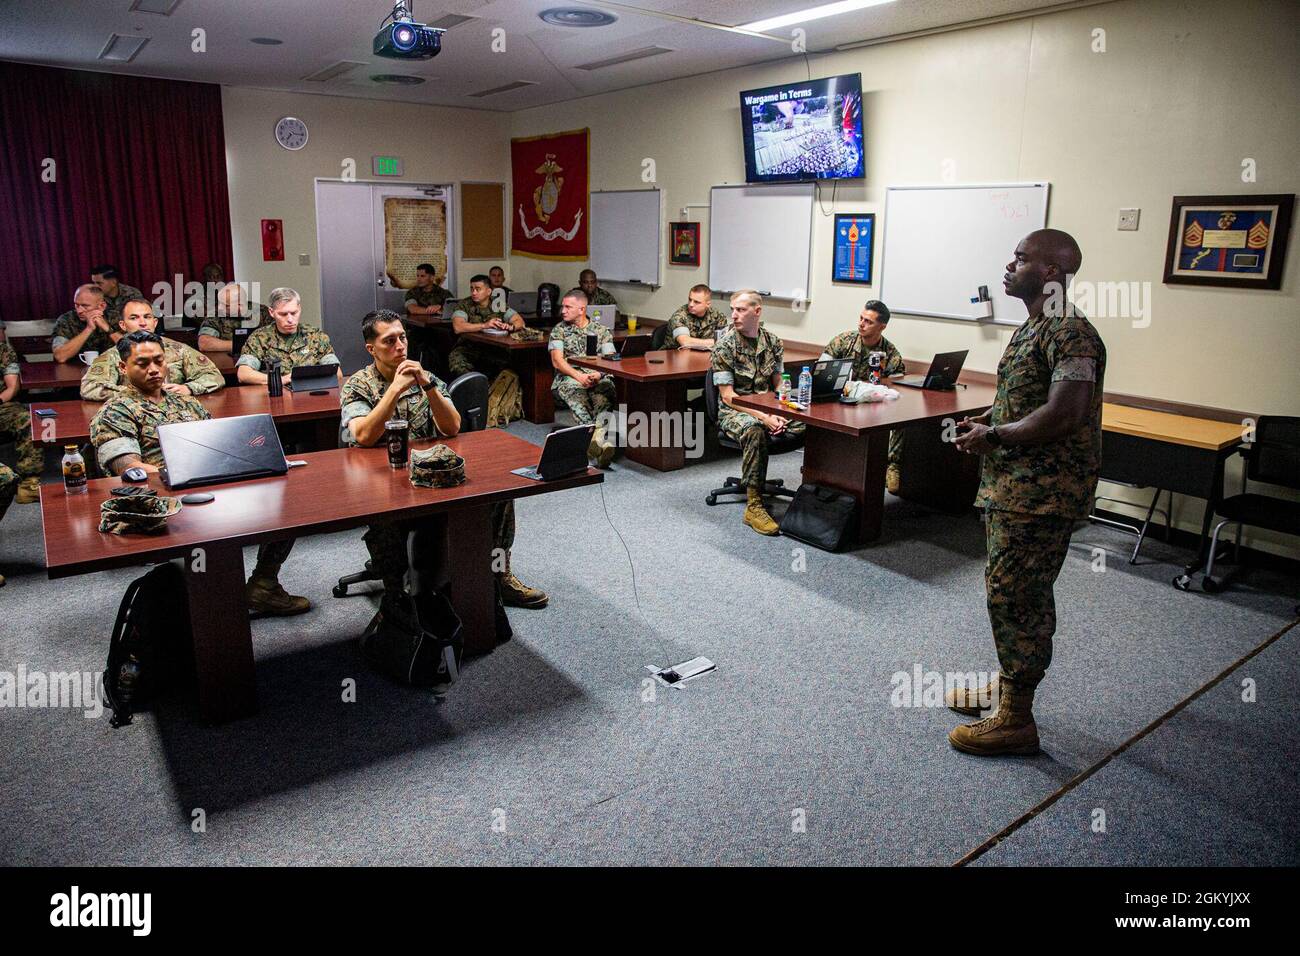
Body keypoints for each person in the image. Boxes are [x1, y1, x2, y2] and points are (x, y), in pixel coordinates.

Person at [949, 229, 1105, 757]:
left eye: (1020, 259)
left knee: (1019, 594)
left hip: (1043, 492)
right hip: (1013, 485)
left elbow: (1065, 412)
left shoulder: (1071, 333)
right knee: (1005, 587)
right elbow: (1023, 402)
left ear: (1052, 273)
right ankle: (1007, 686)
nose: (1009, 266)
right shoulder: (1033, 328)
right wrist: (989, 421)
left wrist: (993, 436)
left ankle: (1016, 717)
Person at [89, 331, 312, 614]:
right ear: (123, 367)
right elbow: (129, 467)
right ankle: (208, 607)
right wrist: (178, 473)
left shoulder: (186, 402)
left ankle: (263, 584)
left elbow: (217, 444)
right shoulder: (116, 410)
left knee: (283, 502)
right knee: (211, 531)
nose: (154, 369)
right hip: (165, 497)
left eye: (159, 360)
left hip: (209, 483)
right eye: (143, 363)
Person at [341, 310, 547, 608]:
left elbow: (452, 427)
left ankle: (498, 576)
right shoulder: (358, 385)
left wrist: (427, 386)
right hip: (385, 482)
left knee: (498, 495)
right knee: (387, 527)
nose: (400, 346)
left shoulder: (427, 376)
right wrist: (395, 390)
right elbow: (362, 435)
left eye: (402, 338)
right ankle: (396, 595)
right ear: (371, 348)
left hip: (432, 474)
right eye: (389, 341)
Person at [711, 290, 805, 535]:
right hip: (734, 411)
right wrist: (763, 417)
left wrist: (784, 405)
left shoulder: (773, 342)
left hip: (769, 408)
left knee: (812, 423)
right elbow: (728, 397)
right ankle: (754, 505)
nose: (734, 315)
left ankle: (813, 491)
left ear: (757, 312)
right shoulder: (725, 346)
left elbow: (778, 382)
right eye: (732, 309)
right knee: (755, 431)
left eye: (740, 310)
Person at [821, 299, 908, 492]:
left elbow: (896, 387)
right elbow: (821, 372)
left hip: (872, 403)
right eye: (861, 318)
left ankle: (892, 466)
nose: (861, 324)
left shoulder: (890, 352)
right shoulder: (843, 341)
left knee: (900, 418)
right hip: (842, 400)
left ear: (882, 327)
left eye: (868, 321)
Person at [81, 297, 223, 401]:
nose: (142, 323)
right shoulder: (114, 355)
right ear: (123, 325)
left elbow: (214, 376)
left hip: (177, 409)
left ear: (154, 322)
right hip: (134, 411)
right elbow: (90, 387)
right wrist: (139, 393)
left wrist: (189, 388)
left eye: (147, 317)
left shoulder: (178, 349)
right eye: (134, 318)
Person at [549, 289, 617, 467]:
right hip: (569, 376)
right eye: (562, 306)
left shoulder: (601, 331)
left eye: (568, 307)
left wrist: (599, 374)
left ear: (582, 309)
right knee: (577, 397)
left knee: (606, 392)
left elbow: (610, 359)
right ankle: (598, 442)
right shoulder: (559, 330)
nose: (563, 310)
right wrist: (579, 376)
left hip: (596, 375)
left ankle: (597, 446)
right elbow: (557, 361)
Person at [236, 287, 341, 386]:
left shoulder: (315, 336)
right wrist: (280, 380)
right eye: (283, 314)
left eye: (294, 313)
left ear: (299, 308)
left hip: (309, 393)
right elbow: (244, 374)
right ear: (271, 312)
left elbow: (337, 373)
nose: (290, 319)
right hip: (276, 396)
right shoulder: (259, 338)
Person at [446, 274, 524, 380]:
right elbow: (458, 327)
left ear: (488, 291)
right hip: (468, 348)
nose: (474, 293)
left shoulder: (497, 304)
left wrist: (511, 327)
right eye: (472, 289)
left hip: (494, 349)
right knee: (458, 364)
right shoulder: (464, 304)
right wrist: (484, 325)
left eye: (478, 289)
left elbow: (519, 321)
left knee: (515, 365)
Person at [0, 334, 42, 505]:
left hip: (2, 406)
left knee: (29, 419)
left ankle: (28, 486)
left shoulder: (3, 350)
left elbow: (11, 387)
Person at [197, 282, 272, 353]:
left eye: (226, 305)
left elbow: (277, 338)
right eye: (220, 303)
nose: (220, 307)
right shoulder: (216, 314)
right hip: (226, 361)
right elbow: (204, 343)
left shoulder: (261, 312)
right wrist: (243, 345)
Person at [402, 262, 453, 368]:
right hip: (418, 331)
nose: (419, 279)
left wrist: (441, 308)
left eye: (422, 276)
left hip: (440, 331)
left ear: (431, 277)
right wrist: (432, 310)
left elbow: (453, 309)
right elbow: (412, 309)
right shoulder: (412, 293)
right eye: (418, 276)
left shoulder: (443, 293)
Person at [51, 285, 116, 363]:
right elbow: (60, 356)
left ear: (101, 306)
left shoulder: (115, 317)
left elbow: (132, 350)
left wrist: (108, 329)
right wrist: (88, 329)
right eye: (76, 305)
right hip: (74, 370)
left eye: (85, 306)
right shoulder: (66, 320)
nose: (79, 311)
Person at [665, 284, 728, 350]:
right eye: (690, 300)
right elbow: (685, 343)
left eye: (696, 302)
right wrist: (715, 342)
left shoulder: (717, 316)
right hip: (673, 355)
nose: (691, 304)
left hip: (701, 355)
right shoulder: (679, 316)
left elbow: (726, 339)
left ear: (708, 304)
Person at [89, 265, 145, 332]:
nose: (95, 286)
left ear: (113, 282)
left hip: (131, 334)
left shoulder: (132, 294)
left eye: (99, 283)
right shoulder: (94, 298)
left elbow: (140, 318)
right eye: (94, 283)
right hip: (106, 336)